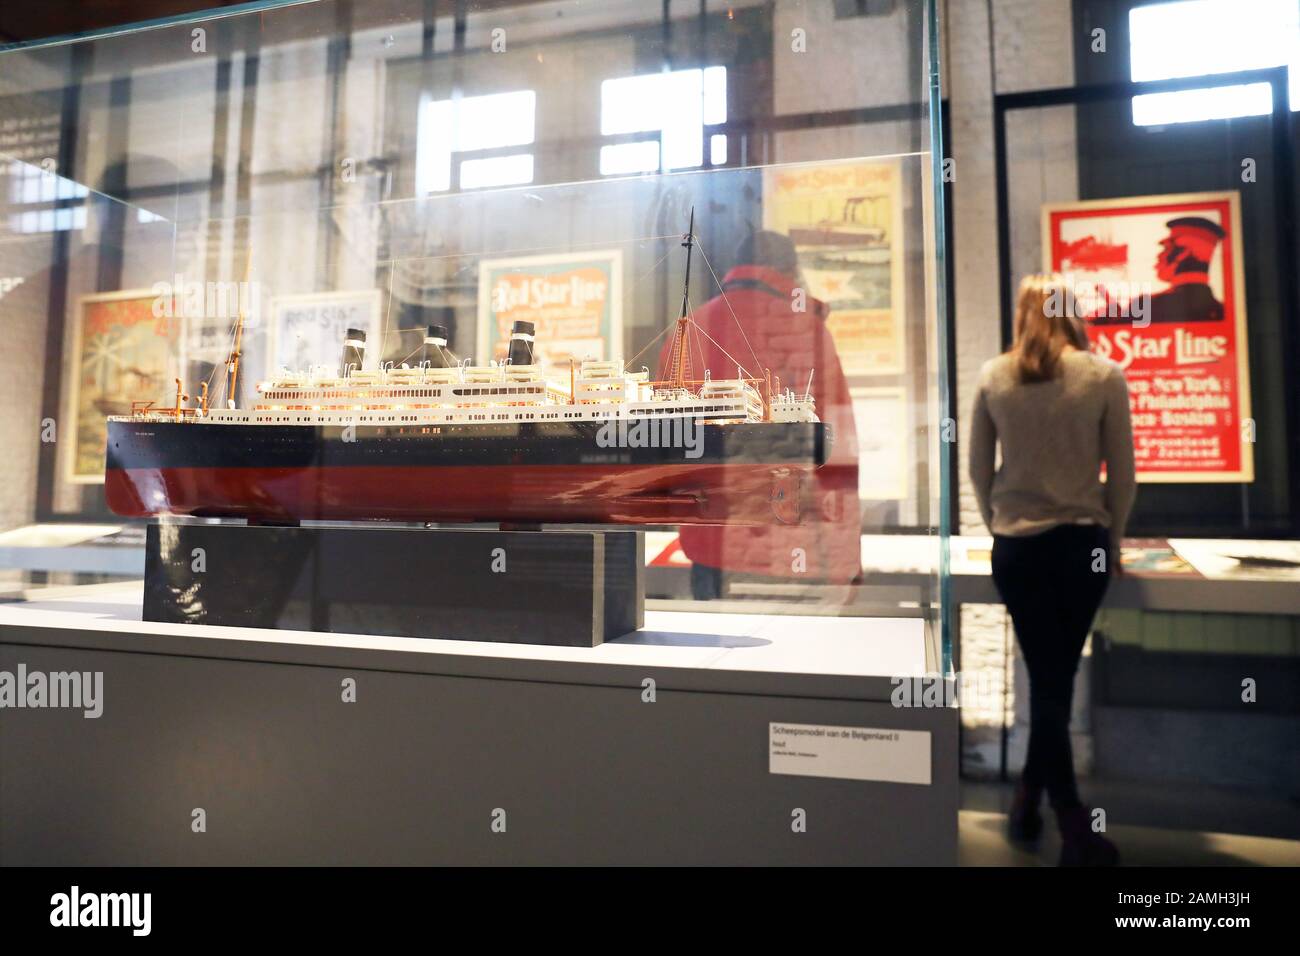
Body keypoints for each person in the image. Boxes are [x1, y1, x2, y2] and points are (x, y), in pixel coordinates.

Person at [969, 273, 1136, 866]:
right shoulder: (1103, 375)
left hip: (1017, 548)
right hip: (1080, 549)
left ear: (1021, 312)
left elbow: (977, 471)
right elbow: (1122, 473)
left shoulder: (995, 376)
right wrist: (1112, 542)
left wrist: (1001, 523)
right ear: (1073, 311)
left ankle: (1026, 802)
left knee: (1048, 682)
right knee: (1054, 682)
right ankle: (1072, 825)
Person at [660, 229, 861, 598]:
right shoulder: (809, 330)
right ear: (789, 268)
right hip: (795, 541)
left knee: (712, 655)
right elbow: (838, 450)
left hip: (711, 544)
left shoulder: (689, 331)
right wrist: (847, 559)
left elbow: (667, 443)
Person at [1091, 216, 1226, 325]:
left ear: (1183, 253)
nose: (1159, 256)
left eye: (1166, 248)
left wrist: (1110, 316)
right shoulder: (1220, 310)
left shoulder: (1146, 306)